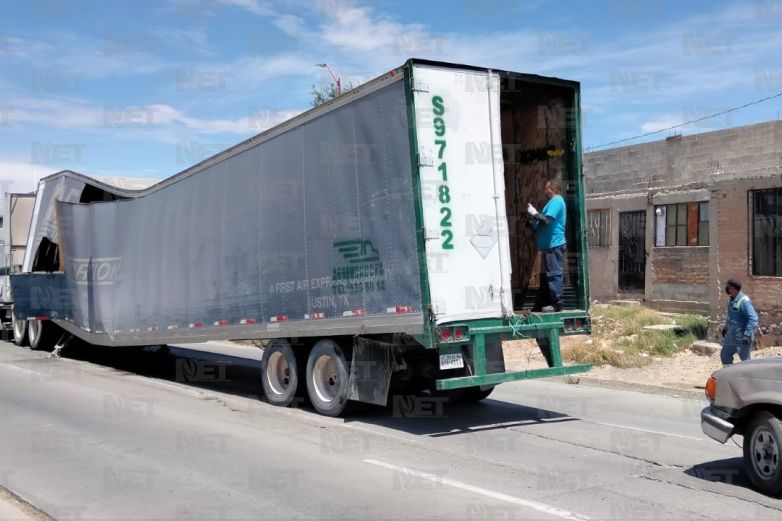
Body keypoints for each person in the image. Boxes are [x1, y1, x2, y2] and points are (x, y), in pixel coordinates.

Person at [527, 179, 567, 312]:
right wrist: (533, 221)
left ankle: (557, 304)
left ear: (553, 189)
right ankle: (544, 302)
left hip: (554, 244)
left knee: (554, 273)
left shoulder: (556, 201)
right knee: (545, 276)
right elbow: (542, 222)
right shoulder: (551, 203)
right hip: (547, 246)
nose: (545, 191)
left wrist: (534, 213)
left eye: (546, 188)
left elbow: (547, 221)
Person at [720, 278, 758, 366]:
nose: (727, 289)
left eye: (729, 287)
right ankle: (728, 375)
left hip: (742, 338)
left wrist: (747, 334)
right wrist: (726, 327)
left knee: (745, 362)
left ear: (734, 288)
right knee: (725, 355)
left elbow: (753, 318)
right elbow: (731, 316)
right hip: (731, 337)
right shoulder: (731, 300)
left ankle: (748, 378)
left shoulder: (744, 301)